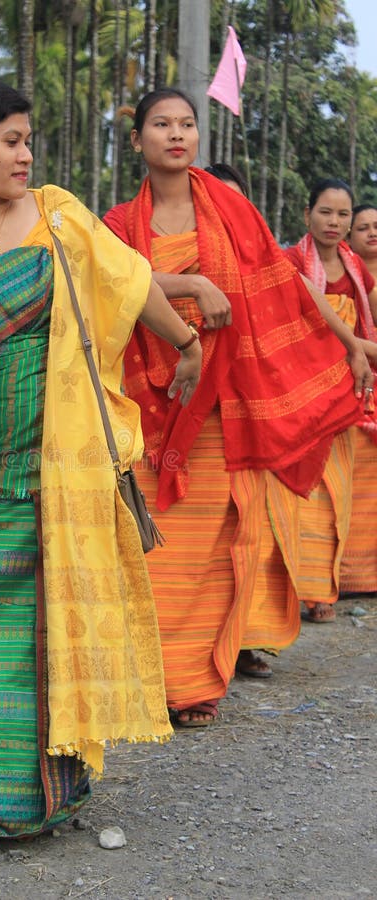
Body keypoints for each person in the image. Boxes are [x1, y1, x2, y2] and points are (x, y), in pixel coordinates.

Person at [0, 76, 202, 851]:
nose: (27, 156)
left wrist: (186, 342)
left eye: (29, 141)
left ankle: (46, 798)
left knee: (47, 628)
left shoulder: (56, 213)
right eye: (11, 142)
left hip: (64, 464)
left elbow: (127, 284)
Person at [103, 89, 372, 726]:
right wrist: (194, 283)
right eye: (162, 124)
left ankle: (196, 684)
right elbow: (112, 281)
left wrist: (351, 344)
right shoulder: (117, 224)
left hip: (226, 405)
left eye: (188, 124)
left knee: (223, 540)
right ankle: (151, 678)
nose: (177, 134)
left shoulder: (229, 208)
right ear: (138, 139)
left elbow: (285, 289)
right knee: (157, 547)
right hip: (156, 404)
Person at [286, 185, 377, 606]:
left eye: (342, 215)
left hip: (349, 388)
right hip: (301, 389)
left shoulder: (355, 266)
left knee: (339, 489)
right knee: (307, 490)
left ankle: (325, 589)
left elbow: (369, 315)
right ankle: (299, 589)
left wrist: (362, 351)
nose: (335, 223)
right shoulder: (289, 263)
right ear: (308, 214)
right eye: (326, 212)